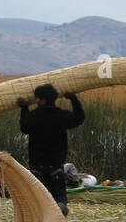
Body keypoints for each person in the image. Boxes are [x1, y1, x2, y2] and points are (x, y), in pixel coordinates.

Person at [16, 84, 85, 215]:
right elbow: (79, 118)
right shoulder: (62, 115)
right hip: (56, 166)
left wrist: (24, 108)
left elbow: (24, 127)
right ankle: (59, 212)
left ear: (40, 100)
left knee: (40, 200)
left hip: (37, 166)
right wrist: (73, 99)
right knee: (59, 197)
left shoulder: (34, 116)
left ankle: (44, 221)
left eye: (37, 98)